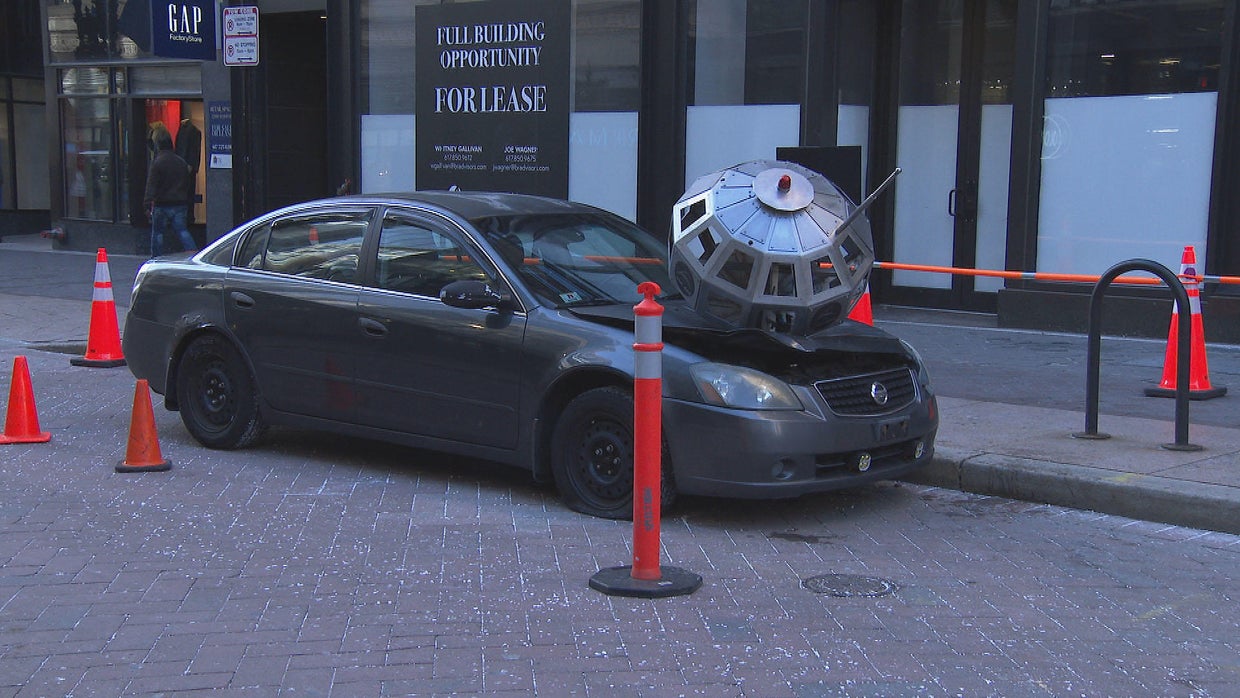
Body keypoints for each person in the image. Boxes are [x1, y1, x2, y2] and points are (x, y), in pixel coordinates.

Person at [143, 131, 197, 256]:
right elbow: (186, 183)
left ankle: (156, 258)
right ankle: (193, 253)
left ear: (158, 146)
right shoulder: (181, 162)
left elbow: (151, 185)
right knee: (182, 231)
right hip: (179, 202)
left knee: (158, 233)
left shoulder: (157, 162)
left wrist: (147, 204)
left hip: (162, 203)